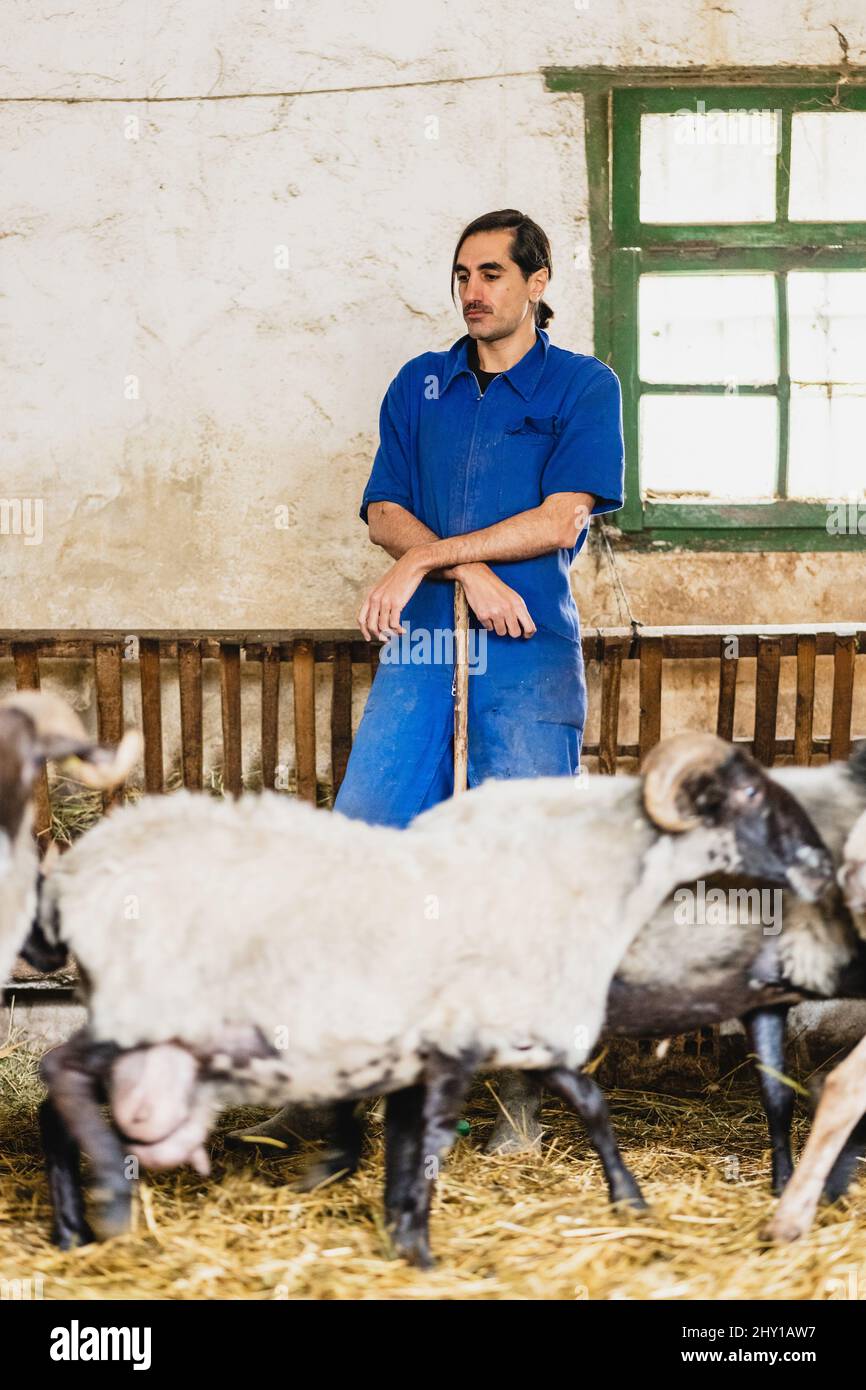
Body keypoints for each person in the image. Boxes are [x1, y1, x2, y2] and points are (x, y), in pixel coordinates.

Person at [229, 208, 624, 1154]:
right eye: (461, 275)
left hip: (525, 650)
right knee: (366, 850)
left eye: (493, 272)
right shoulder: (422, 383)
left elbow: (563, 518)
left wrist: (435, 559)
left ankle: (517, 1103)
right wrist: (461, 570)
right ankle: (336, 1097)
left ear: (536, 282)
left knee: (521, 870)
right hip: (421, 651)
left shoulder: (581, 384)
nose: (474, 290)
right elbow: (383, 509)